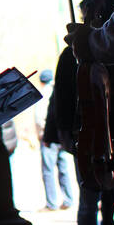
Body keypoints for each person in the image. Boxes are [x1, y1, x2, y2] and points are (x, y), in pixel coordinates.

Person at [54, 0, 114, 225]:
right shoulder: (72, 55)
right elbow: (64, 94)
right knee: (86, 203)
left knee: (90, 203)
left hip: (108, 132)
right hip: (92, 135)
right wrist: (66, 131)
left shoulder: (107, 46)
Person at [35, 69, 74, 210]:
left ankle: (51, 203)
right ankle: (68, 199)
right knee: (64, 168)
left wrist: (43, 135)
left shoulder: (42, 93)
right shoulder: (59, 89)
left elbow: (40, 118)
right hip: (62, 135)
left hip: (49, 137)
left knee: (48, 170)